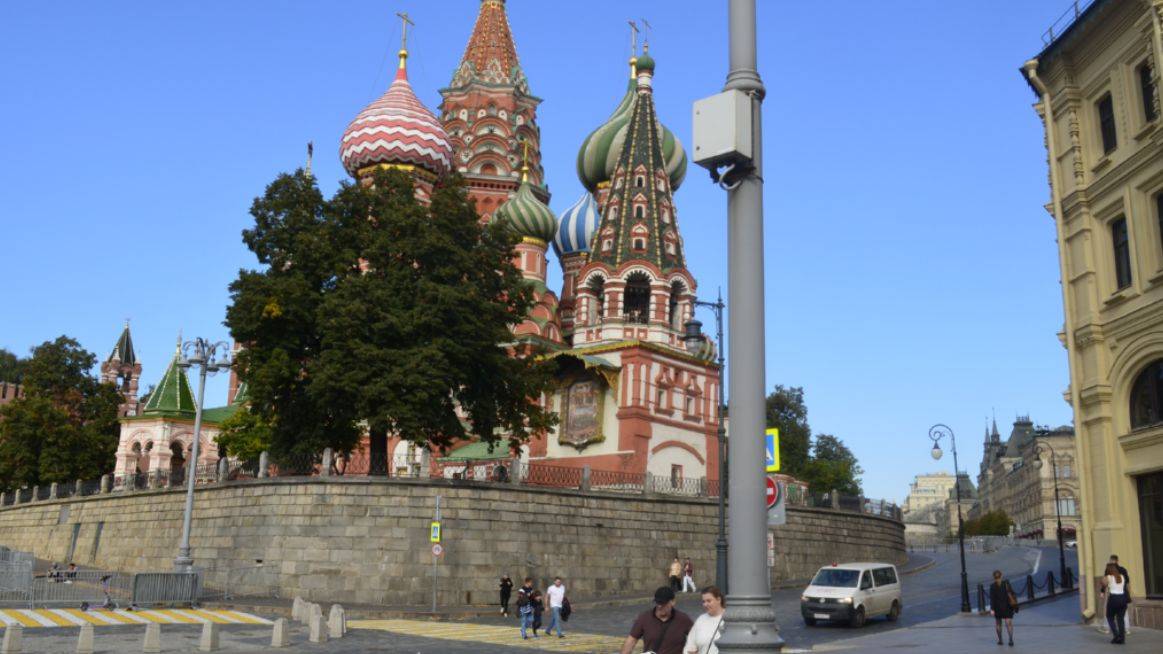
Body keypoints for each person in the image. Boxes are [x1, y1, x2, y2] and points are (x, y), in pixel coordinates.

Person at [620, 586, 694, 654]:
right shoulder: (644, 618)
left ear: (673, 602)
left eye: (663, 603)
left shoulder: (683, 619)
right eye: (657, 603)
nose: (659, 606)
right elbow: (631, 641)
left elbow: (698, 639)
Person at [684, 586, 725, 654]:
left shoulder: (730, 619)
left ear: (718, 600)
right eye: (703, 601)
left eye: (709, 601)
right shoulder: (701, 620)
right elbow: (691, 647)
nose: (705, 604)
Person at [1101, 562, 1129, 644]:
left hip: (1114, 599)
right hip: (1123, 599)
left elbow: (1103, 583)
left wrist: (1105, 576)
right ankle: (1122, 638)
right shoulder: (1122, 577)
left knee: (1109, 617)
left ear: (1108, 570)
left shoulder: (1108, 577)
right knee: (1120, 619)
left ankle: (1116, 635)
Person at [988, 570, 1016, 646]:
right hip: (1007, 607)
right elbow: (1012, 593)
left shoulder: (992, 586)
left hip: (998, 608)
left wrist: (992, 609)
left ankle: (1000, 640)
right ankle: (1010, 639)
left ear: (994, 577)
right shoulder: (1006, 584)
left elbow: (992, 599)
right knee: (1008, 623)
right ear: (1001, 575)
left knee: (998, 624)